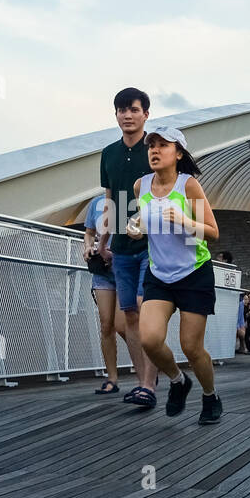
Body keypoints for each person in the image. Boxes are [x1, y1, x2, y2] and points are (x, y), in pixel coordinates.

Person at [132, 126, 223, 424]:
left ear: (178, 153)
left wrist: (185, 220)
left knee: (192, 347)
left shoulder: (188, 187)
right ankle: (177, 381)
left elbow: (212, 233)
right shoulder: (140, 187)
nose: (155, 151)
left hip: (194, 273)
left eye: (163, 146)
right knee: (149, 339)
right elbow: (144, 225)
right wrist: (135, 228)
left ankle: (210, 397)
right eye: (151, 146)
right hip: (159, 274)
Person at [100, 88, 158, 408]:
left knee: (144, 308)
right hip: (121, 248)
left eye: (134, 110)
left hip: (153, 245)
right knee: (131, 317)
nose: (127, 115)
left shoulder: (156, 150)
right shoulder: (108, 153)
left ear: (146, 114)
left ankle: (148, 383)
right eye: (122, 110)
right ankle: (143, 383)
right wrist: (103, 241)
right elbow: (110, 199)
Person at [83, 193, 127, 393]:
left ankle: (147, 363)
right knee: (106, 325)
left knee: (123, 325)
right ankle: (112, 379)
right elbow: (89, 232)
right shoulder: (96, 202)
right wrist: (88, 247)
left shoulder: (133, 197)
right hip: (102, 271)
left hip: (126, 268)